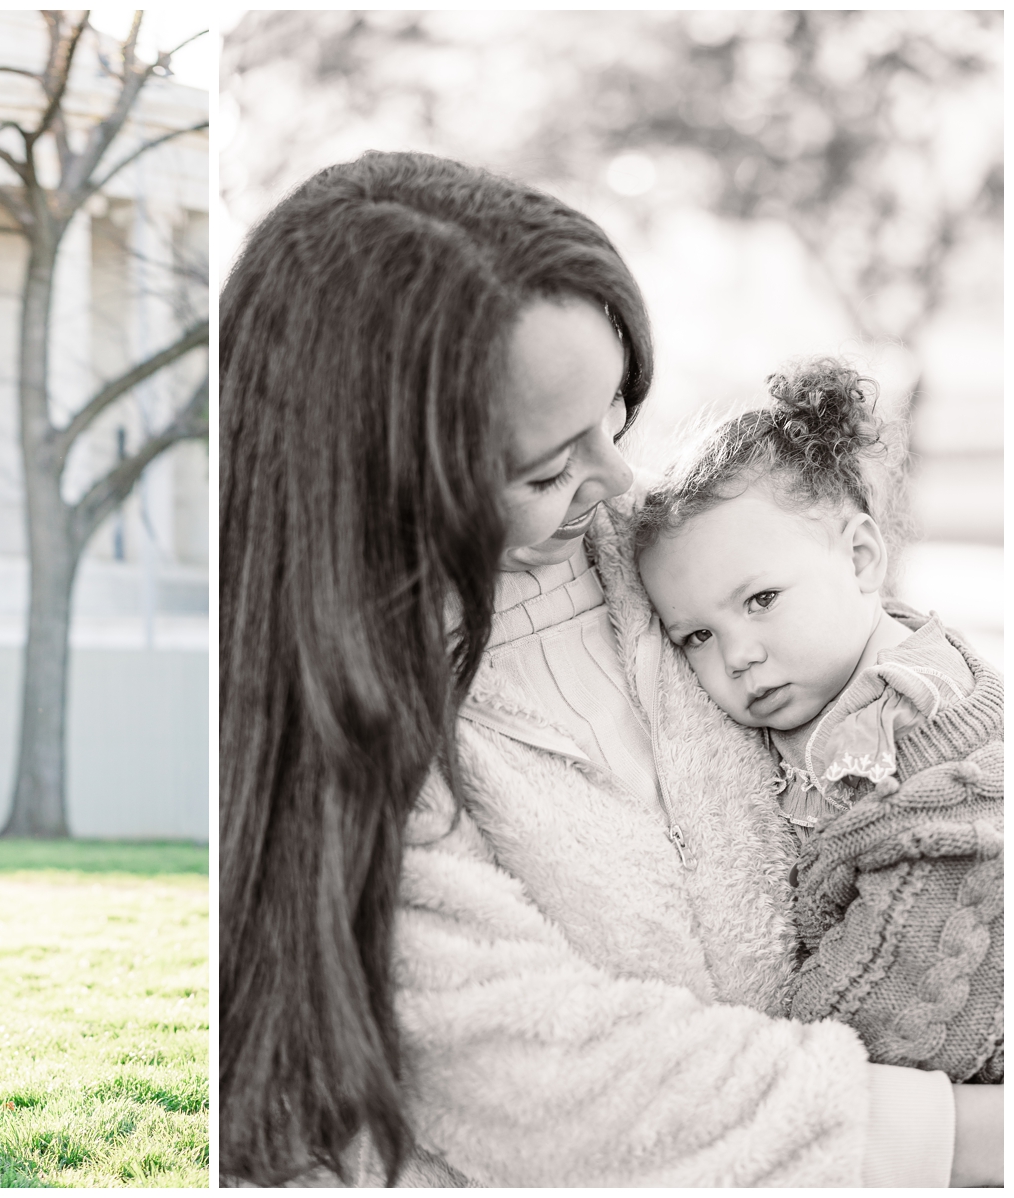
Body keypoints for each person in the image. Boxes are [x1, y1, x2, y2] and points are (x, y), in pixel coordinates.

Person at [218, 150, 1003, 1186]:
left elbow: (907, 739)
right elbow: (535, 1064)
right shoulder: (340, 725)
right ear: (386, 481)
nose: (619, 476)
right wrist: (956, 1134)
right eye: (548, 467)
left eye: (619, 412)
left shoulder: (673, 563)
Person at [635, 360, 1002, 1085]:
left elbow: (906, 972)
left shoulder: (910, 727)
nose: (737, 655)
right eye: (696, 638)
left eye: (762, 599)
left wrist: (771, 1076)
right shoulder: (825, 679)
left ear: (863, 557)